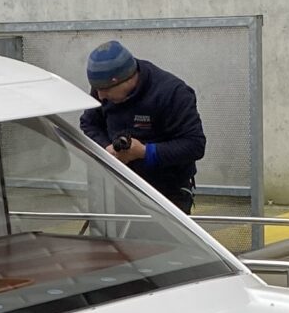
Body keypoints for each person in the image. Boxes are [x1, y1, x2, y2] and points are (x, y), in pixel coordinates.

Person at [78, 40, 205, 211]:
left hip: (168, 194)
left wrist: (145, 152)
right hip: (120, 187)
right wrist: (107, 148)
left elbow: (194, 145)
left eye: (105, 90)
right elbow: (88, 123)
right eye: (97, 89)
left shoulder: (172, 93)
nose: (100, 96)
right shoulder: (104, 87)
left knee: (160, 238)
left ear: (120, 80)